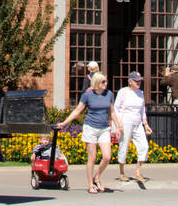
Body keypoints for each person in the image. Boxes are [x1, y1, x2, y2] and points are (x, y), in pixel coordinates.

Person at [57, 64, 119, 193]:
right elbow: (78, 110)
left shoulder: (109, 94)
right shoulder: (87, 95)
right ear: (96, 83)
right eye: (103, 82)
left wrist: (119, 126)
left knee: (107, 156)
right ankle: (91, 184)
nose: (105, 84)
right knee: (92, 157)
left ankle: (97, 177)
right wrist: (64, 123)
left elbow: (112, 112)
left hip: (104, 128)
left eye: (106, 81)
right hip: (90, 127)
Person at [114, 71, 153, 183]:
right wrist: (118, 124)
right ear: (130, 82)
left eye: (140, 80)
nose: (138, 82)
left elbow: (142, 111)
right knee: (124, 146)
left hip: (138, 123)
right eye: (136, 81)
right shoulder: (123, 92)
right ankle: (121, 173)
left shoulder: (140, 93)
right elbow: (116, 108)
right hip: (125, 122)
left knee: (143, 146)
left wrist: (145, 124)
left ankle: (137, 171)